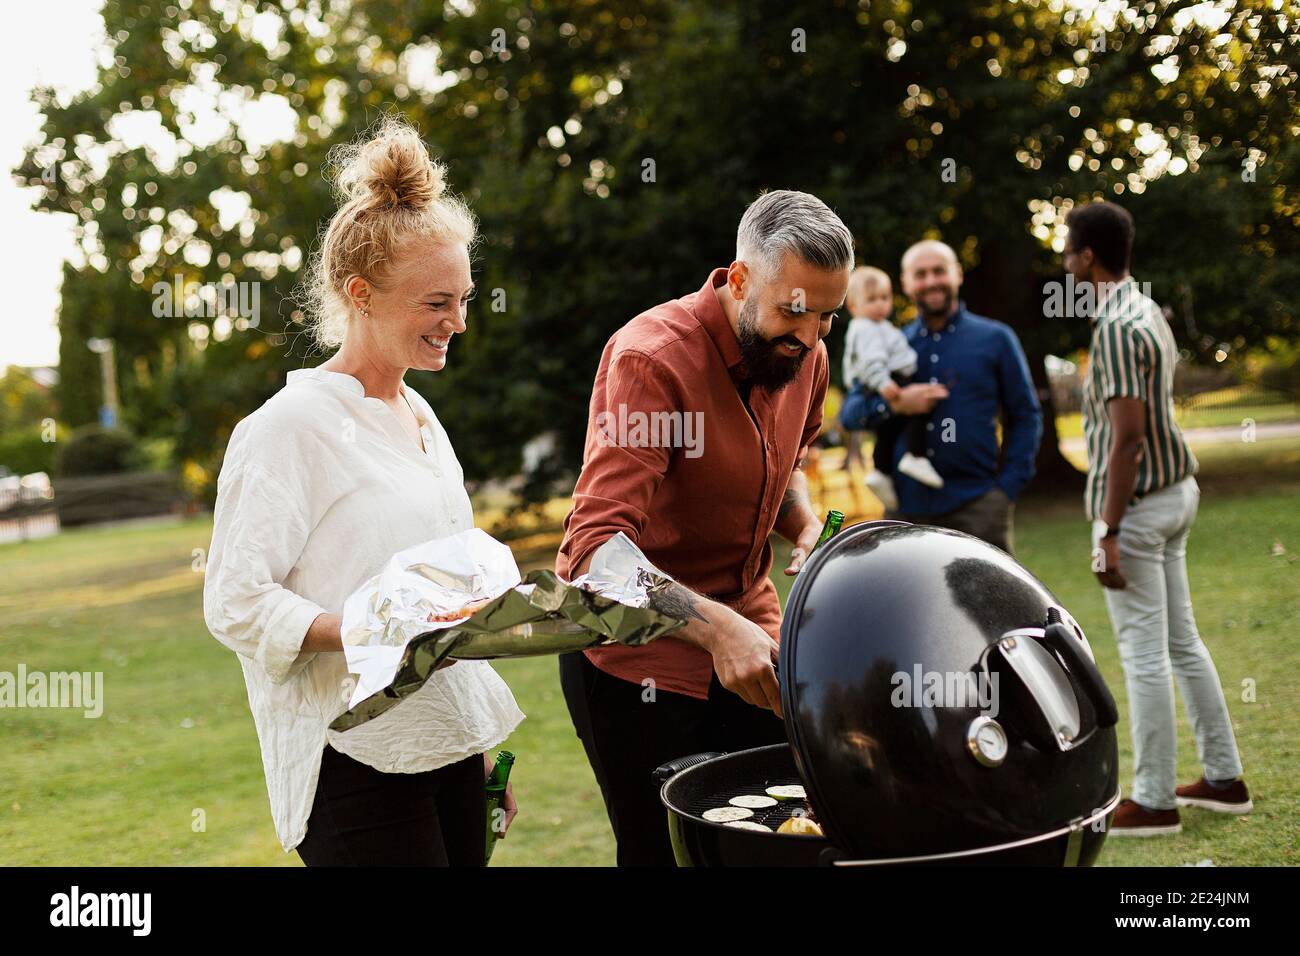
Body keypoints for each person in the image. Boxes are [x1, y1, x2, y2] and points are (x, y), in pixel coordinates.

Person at [203, 117, 523, 866]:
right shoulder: (287, 428)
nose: (459, 322)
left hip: (443, 749)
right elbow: (235, 601)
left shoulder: (420, 417)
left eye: (465, 298)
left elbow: (444, 604)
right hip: (353, 762)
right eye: (436, 303)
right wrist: (360, 627)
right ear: (360, 294)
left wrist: (475, 753)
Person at [556, 190, 852, 866]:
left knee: (787, 840)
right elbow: (593, 554)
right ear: (741, 280)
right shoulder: (649, 361)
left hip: (758, 644)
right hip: (638, 668)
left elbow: (782, 467)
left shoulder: (807, 355)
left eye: (829, 318)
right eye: (795, 312)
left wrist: (804, 525)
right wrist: (719, 629)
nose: (809, 340)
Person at [1063, 200, 1249, 835]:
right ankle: (1224, 778)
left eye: (1068, 250)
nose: (1064, 261)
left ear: (1087, 256)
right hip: (1177, 494)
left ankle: (1154, 799)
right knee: (1181, 642)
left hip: (1138, 508)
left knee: (1145, 653)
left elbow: (1128, 440)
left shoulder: (1116, 323)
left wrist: (1109, 531)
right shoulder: (1147, 308)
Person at [839, 239, 1041, 554]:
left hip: (979, 507)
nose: (931, 281)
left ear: (958, 274)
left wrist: (1006, 490)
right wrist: (893, 403)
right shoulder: (890, 344)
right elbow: (850, 415)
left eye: (939, 271)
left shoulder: (996, 339)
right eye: (920, 274)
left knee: (989, 604)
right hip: (905, 514)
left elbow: (1026, 415)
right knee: (908, 604)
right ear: (905, 283)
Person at [840, 265, 944, 510]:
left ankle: (881, 471)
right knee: (920, 408)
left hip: (888, 379)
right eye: (872, 299)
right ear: (853, 305)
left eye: (885, 298)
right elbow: (871, 360)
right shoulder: (866, 328)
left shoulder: (880, 326)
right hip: (886, 381)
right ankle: (915, 456)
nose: (880, 305)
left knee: (889, 429)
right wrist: (884, 383)